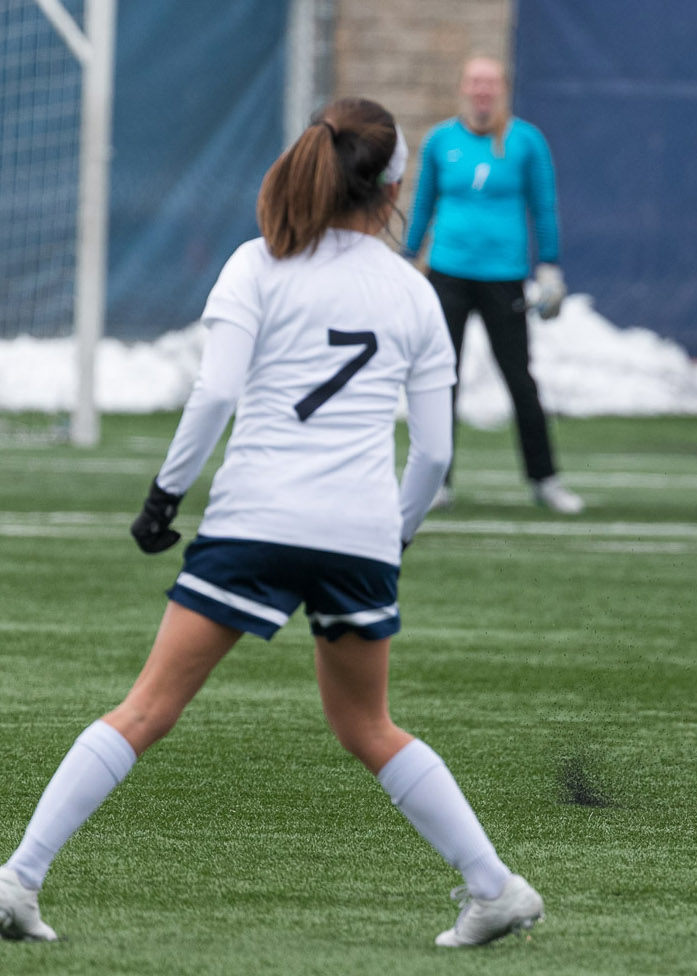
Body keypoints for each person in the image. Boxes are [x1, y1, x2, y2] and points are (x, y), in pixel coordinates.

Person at [0, 98, 544, 947]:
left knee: (146, 708)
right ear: (397, 182)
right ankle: (494, 887)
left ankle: (19, 878)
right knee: (368, 726)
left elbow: (215, 394)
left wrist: (163, 498)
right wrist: (389, 538)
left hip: (256, 518)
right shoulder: (412, 291)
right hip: (359, 534)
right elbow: (433, 455)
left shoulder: (260, 264)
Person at [402, 55, 581, 515]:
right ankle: (435, 481)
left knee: (520, 379)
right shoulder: (441, 140)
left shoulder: (525, 141)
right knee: (441, 378)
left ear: (502, 88)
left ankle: (545, 480)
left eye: (490, 83)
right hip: (448, 273)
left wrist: (550, 266)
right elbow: (423, 204)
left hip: (504, 277)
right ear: (463, 87)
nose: (482, 91)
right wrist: (407, 259)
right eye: (475, 82)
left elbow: (544, 207)